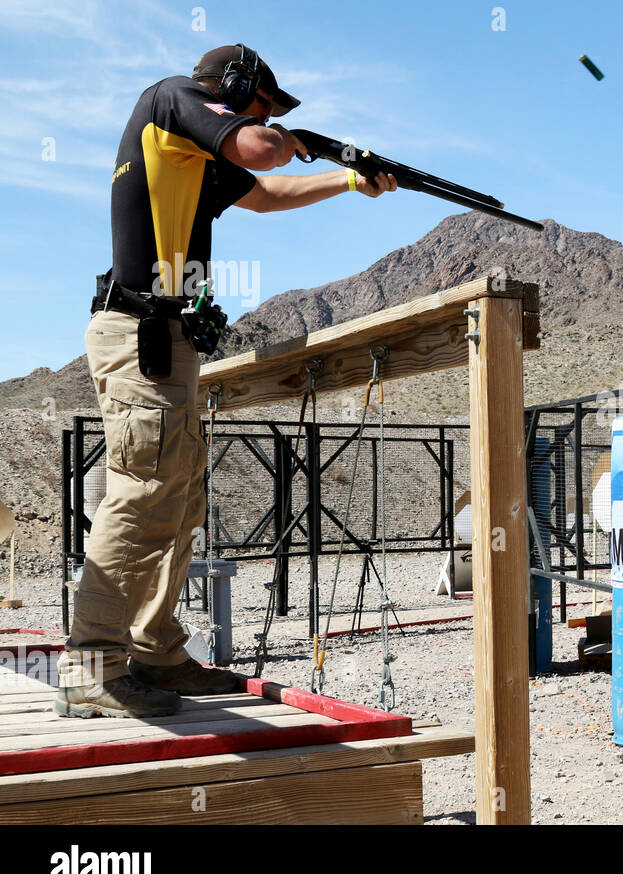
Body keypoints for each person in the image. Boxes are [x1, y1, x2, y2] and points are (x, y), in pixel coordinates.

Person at [57, 44, 397, 718]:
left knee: (178, 500)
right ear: (236, 90)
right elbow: (264, 154)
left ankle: (156, 649)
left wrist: (350, 179)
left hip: (169, 338)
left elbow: (266, 192)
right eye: (263, 105)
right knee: (141, 491)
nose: (268, 119)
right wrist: (300, 142)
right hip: (140, 333)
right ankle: (90, 661)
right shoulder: (172, 99)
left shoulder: (195, 155)